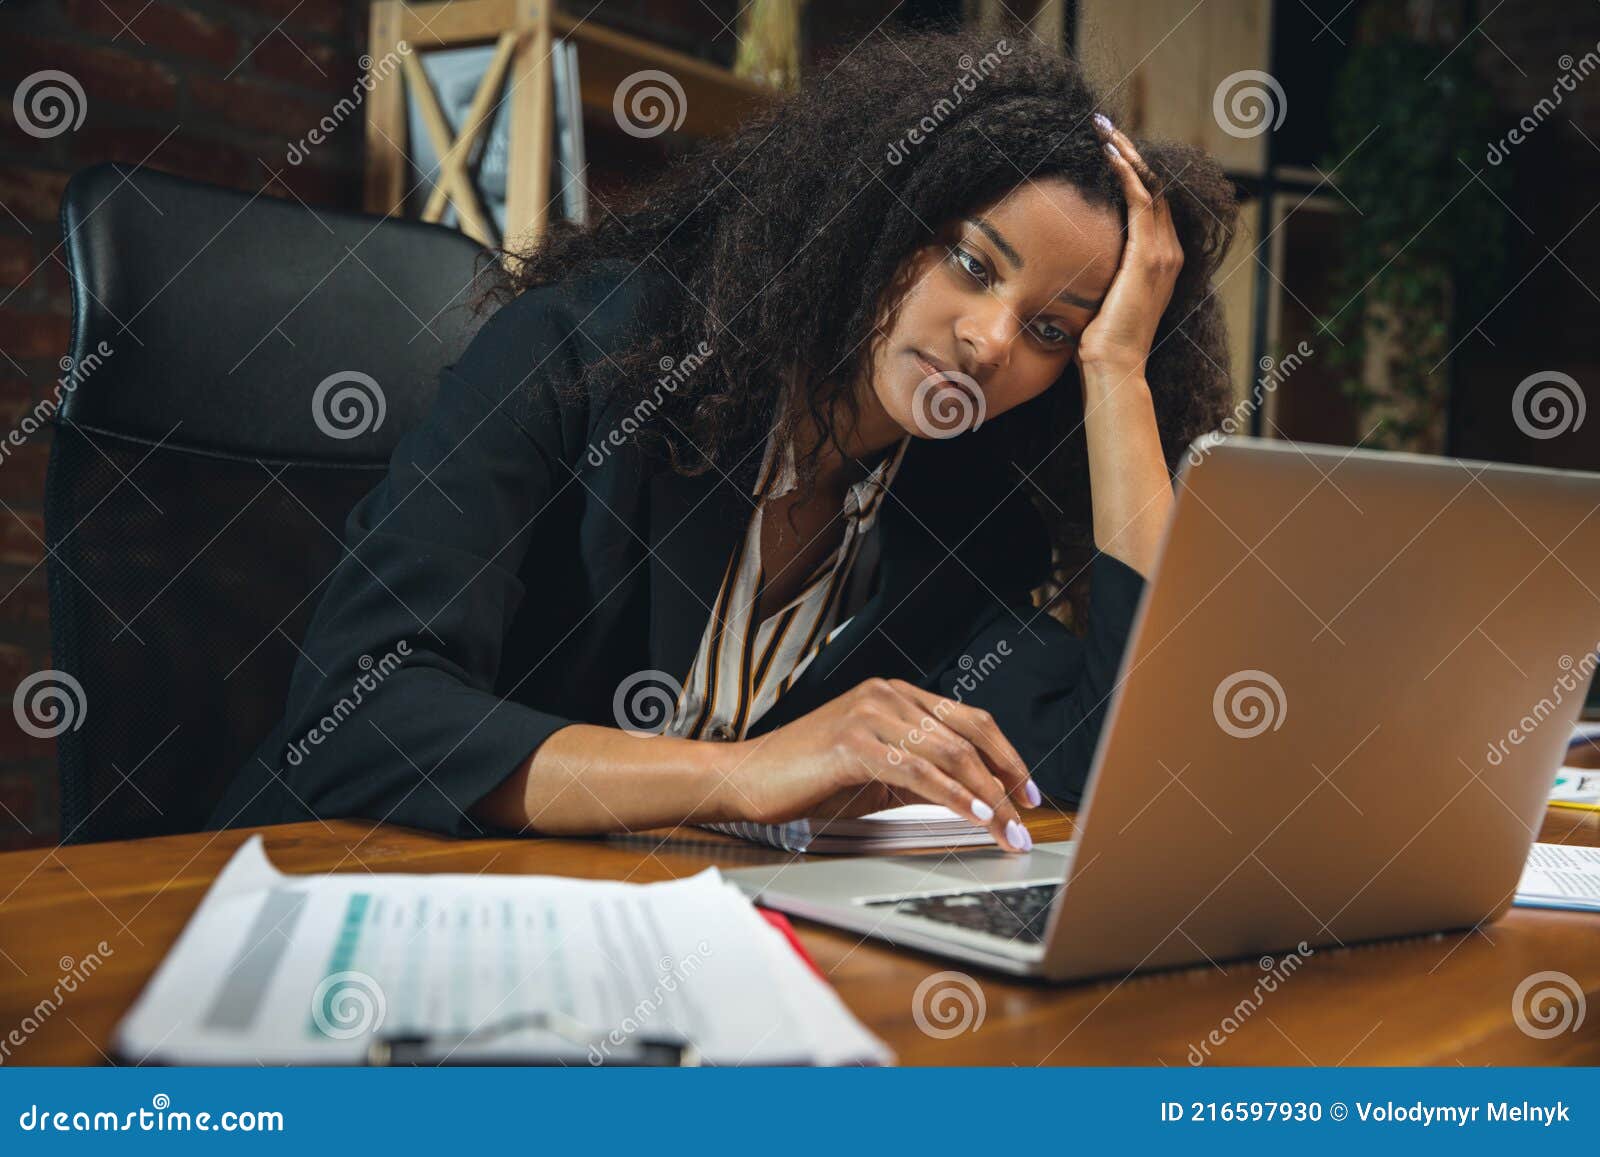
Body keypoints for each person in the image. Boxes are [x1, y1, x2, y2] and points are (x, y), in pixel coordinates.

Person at [207, 28, 1237, 852]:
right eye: (971, 263)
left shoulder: (958, 507)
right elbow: (361, 714)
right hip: (352, 902)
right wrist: (748, 774)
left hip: (677, 957)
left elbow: (1120, 755)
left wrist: (1119, 379)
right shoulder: (590, 360)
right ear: (874, 217)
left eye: (1054, 330)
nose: (989, 339)